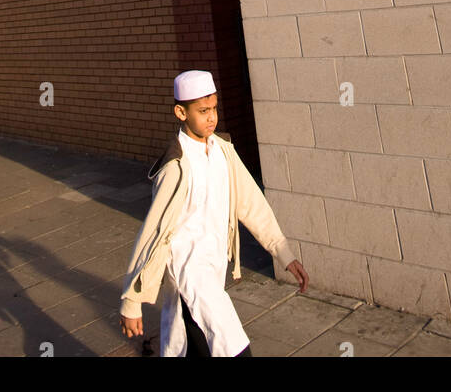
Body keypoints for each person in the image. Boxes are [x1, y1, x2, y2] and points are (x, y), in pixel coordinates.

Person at [120, 69, 309, 357]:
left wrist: (282, 252)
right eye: (202, 111)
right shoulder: (175, 166)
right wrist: (132, 301)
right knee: (231, 345)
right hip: (189, 273)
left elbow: (251, 203)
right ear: (181, 113)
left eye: (214, 109)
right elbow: (152, 234)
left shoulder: (223, 151)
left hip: (214, 267)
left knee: (192, 344)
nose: (211, 117)